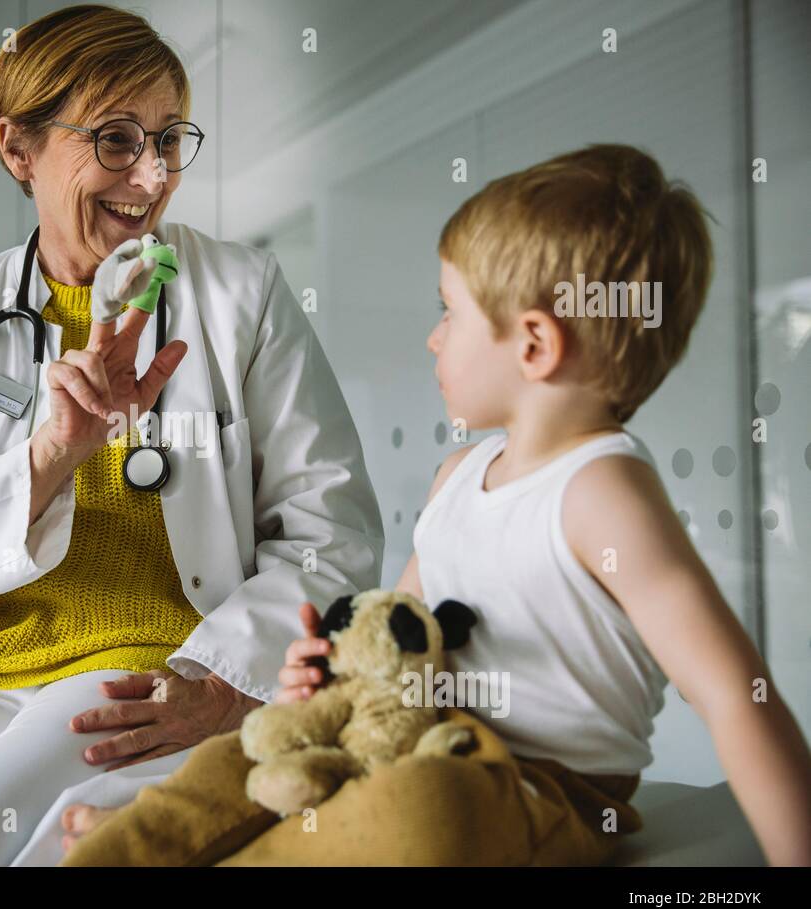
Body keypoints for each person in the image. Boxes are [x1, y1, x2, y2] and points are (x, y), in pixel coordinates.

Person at [58, 144, 811, 866]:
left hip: (533, 790)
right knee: (250, 747)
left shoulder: (604, 492)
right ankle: (143, 842)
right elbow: (398, 634)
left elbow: (735, 696)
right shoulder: (460, 474)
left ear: (536, 346)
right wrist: (326, 677)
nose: (432, 338)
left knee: (423, 812)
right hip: (415, 733)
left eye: (450, 312)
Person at [0, 4, 382, 866]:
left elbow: (331, 533)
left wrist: (225, 684)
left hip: (144, 665)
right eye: (115, 140)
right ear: (19, 149)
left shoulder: (242, 294)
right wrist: (52, 456)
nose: (150, 176)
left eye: (168, 139)